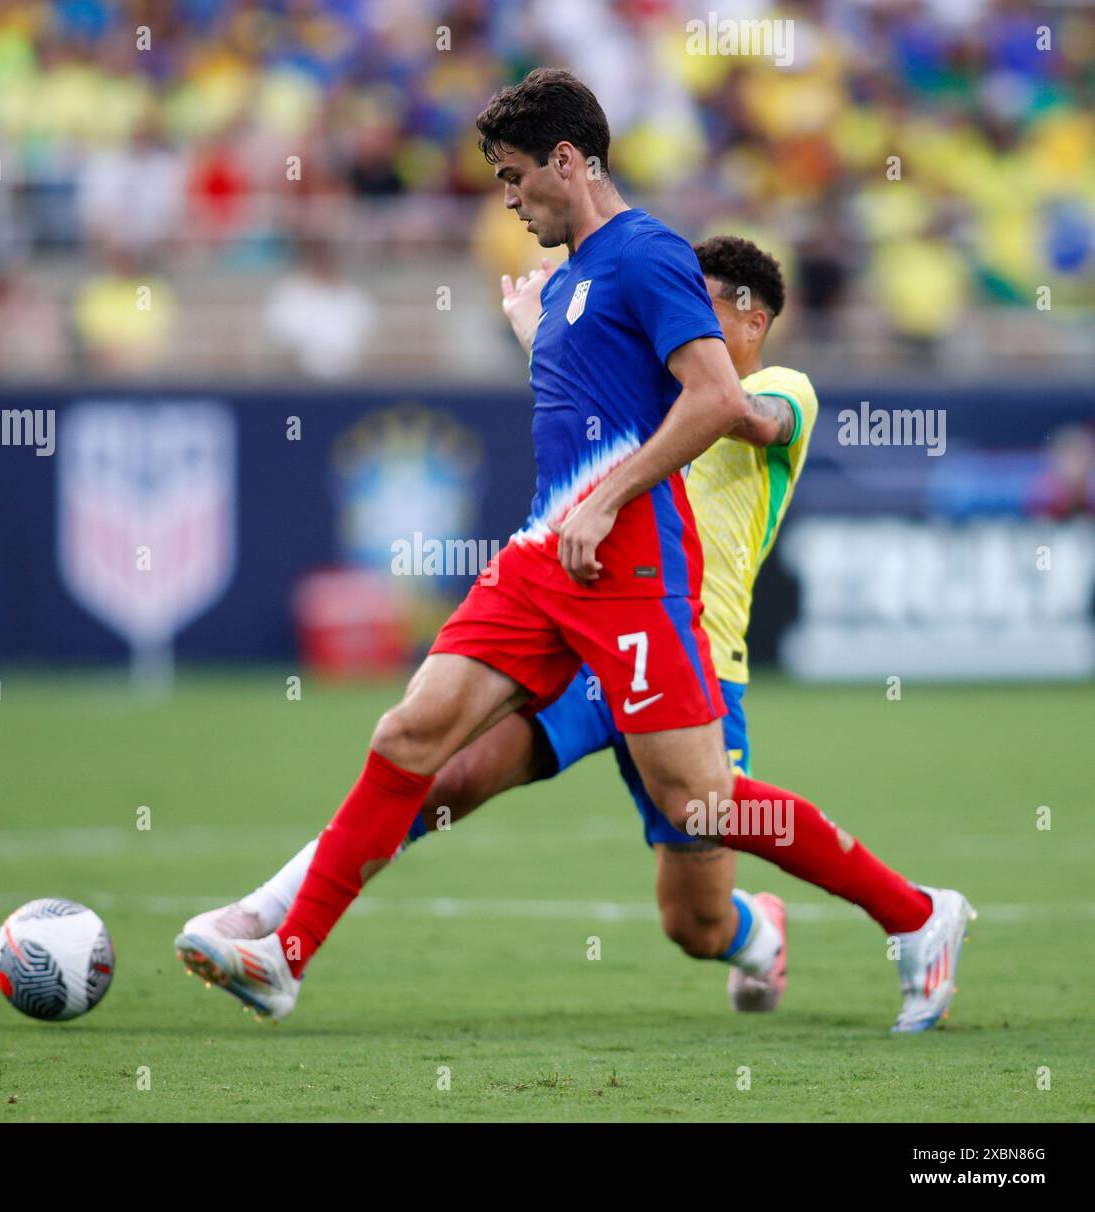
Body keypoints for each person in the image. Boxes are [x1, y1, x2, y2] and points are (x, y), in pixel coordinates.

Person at [176, 69, 972, 1033]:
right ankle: (284, 953)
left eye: (515, 177)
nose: (509, 200)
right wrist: (543, 341)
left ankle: (917, 915)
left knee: (703, 809)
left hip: (633, 572)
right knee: (411, 738)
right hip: (542, 563)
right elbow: (601, 406)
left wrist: (609, 500)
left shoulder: (648, 253)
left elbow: (718, 400)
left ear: (567, 160)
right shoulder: (567, 286)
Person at [187, 234, 813, 1014]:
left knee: (695, 921)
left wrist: (646, 362)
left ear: (752, 320)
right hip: (590, 637)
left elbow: (745, 415)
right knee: (445, 774)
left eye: (701, 307)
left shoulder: (776, 388)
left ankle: (768, 930)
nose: (679, 320)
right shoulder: (661, 382)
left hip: (692, 660)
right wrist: (549, 337)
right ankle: (269, 919)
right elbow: (593, 397)